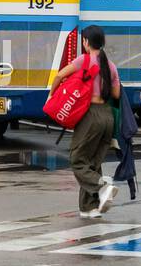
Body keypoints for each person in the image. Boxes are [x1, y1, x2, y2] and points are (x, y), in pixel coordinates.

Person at [49, 24, 121, 218]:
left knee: (78, 159)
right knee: (92, 161)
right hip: (107, 116)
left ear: (86, 42)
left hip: (90, 115)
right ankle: (89, 207)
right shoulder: (111, 65)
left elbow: (59, 75)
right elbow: (116, 93)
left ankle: (102, 185)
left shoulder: (84, 60)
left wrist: (51, 95)